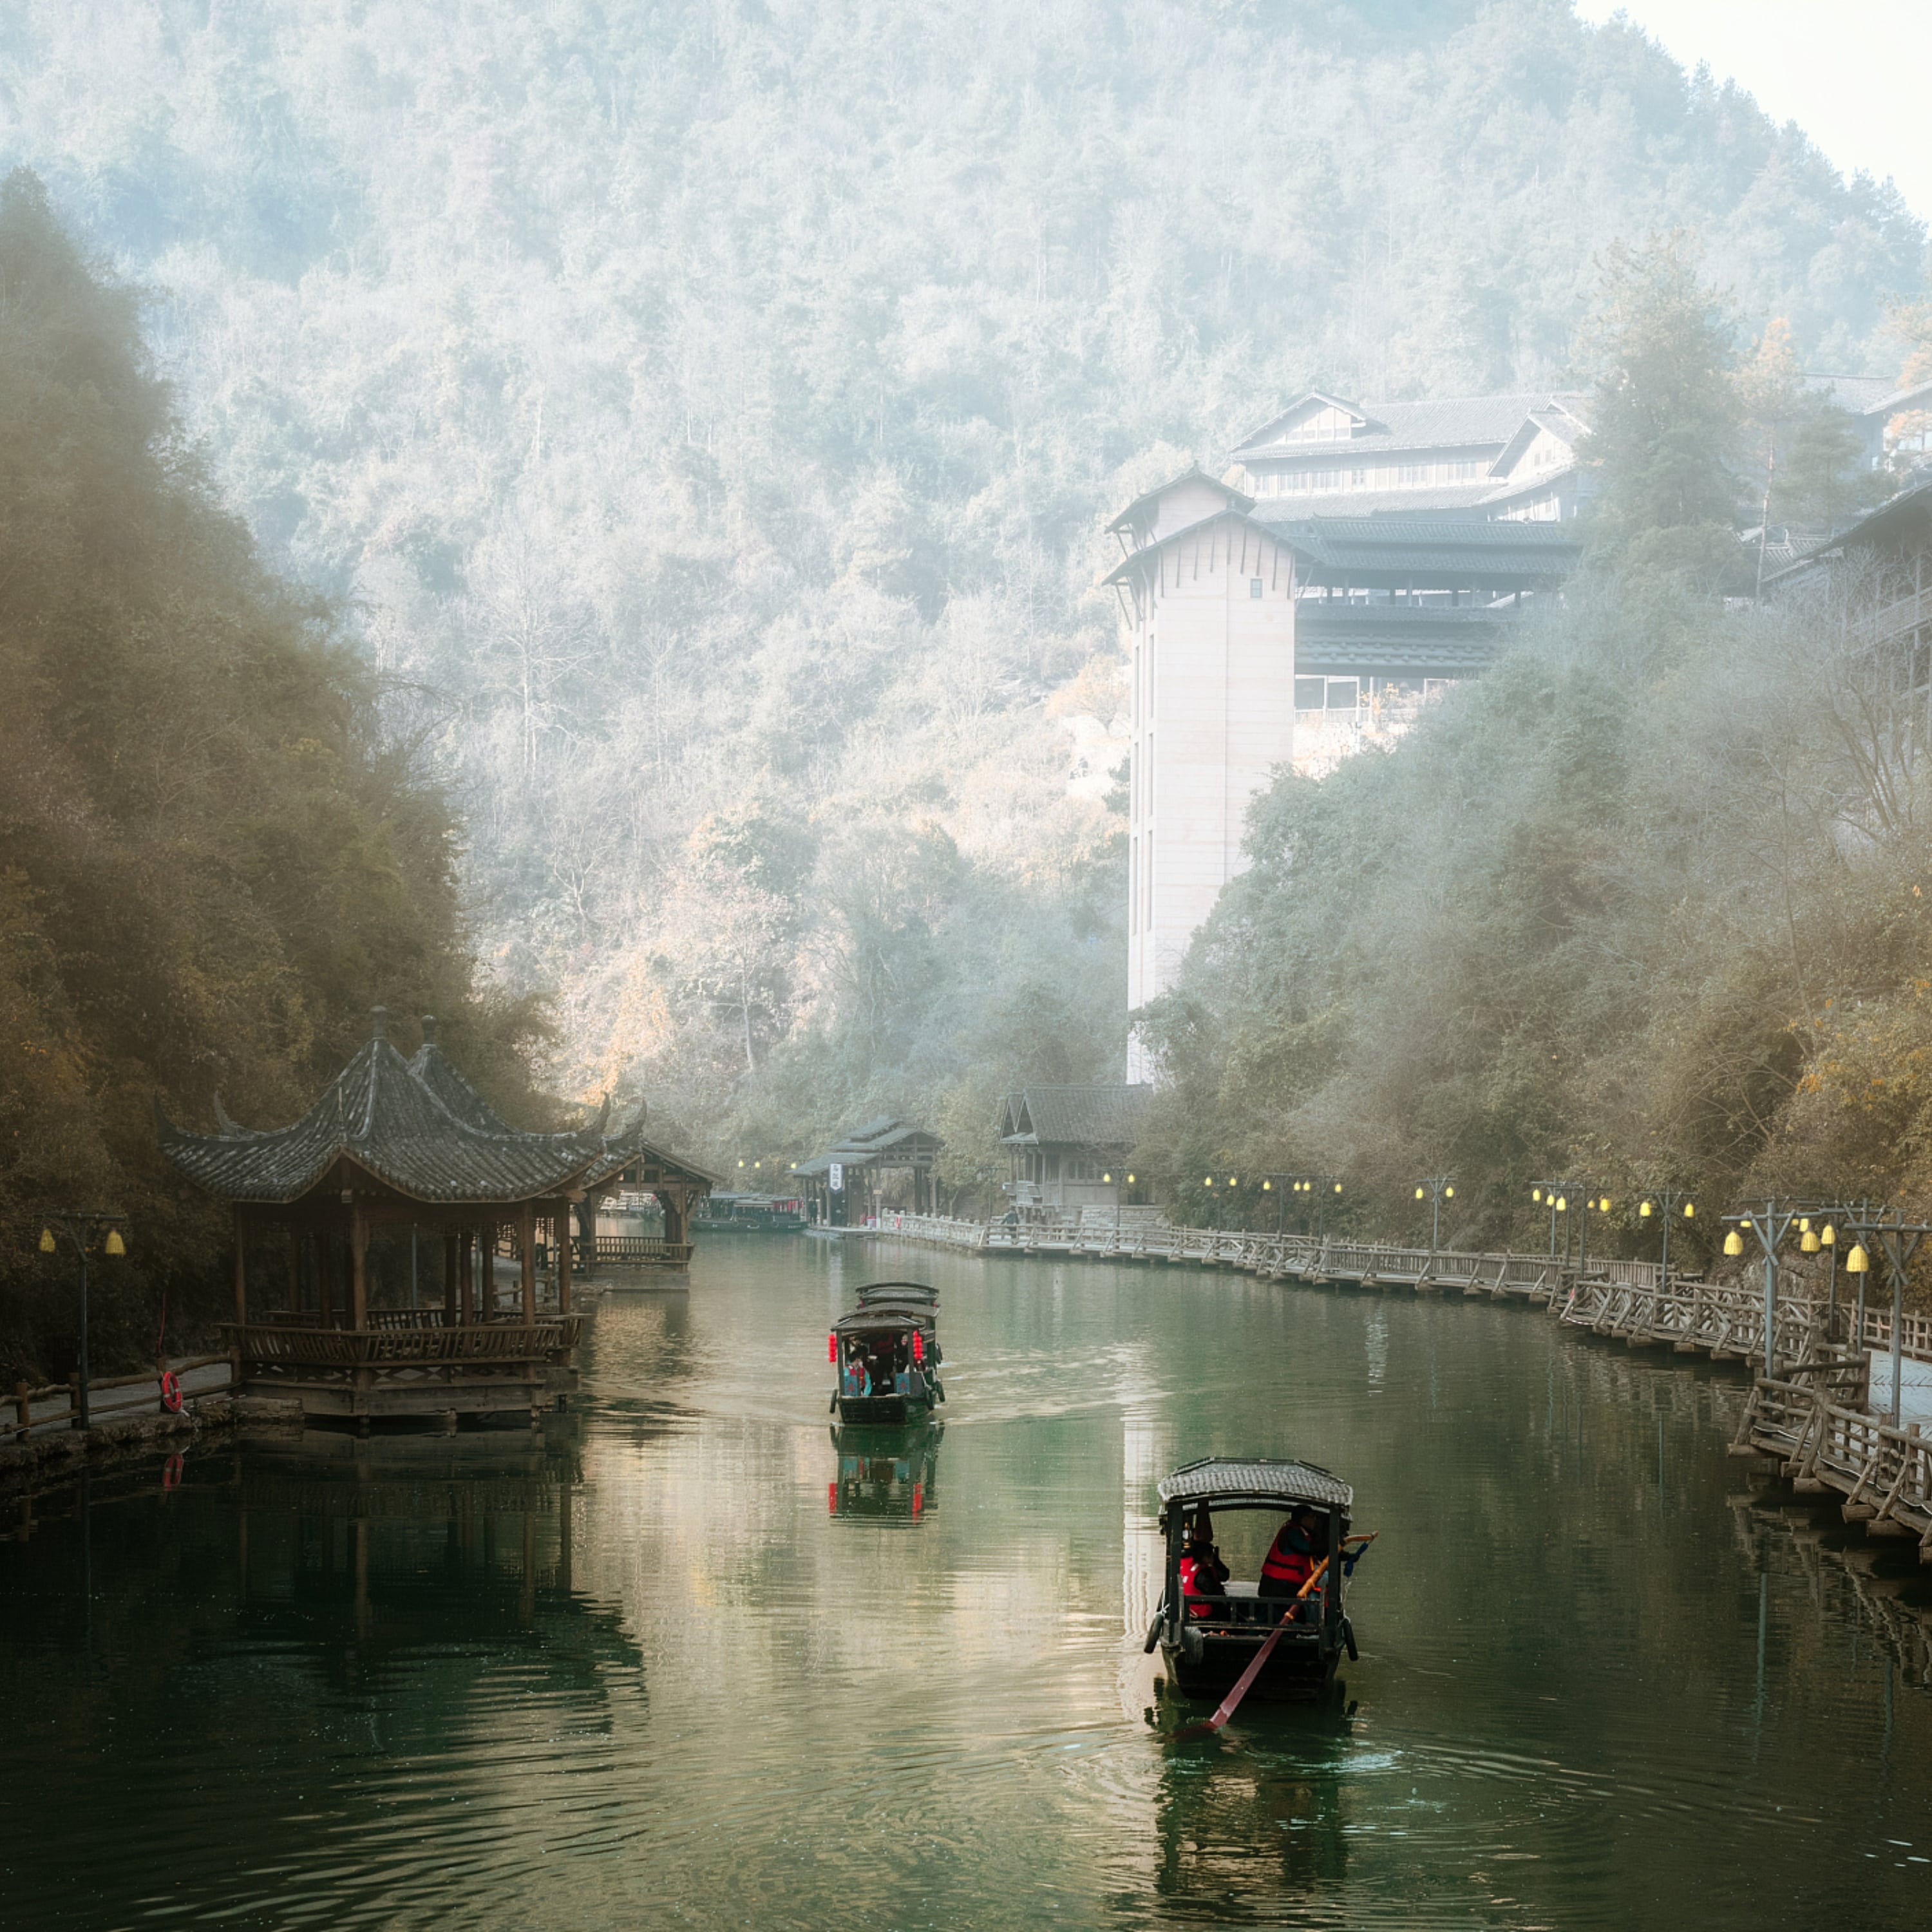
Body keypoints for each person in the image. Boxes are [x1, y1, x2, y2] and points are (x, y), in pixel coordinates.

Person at [1258, 1505, 1324, 1604]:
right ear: (1303, 1519)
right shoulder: (1293, 1532)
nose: (1314, 1520)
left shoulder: (1304, 1533)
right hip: (1277, 1586)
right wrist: (1326, 1543)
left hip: (1286, 1586)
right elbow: (1309, 1549)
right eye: (1312, 1516)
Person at [1179, 1505, 1231, 1620]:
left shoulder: (1183, 1561)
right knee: (1227, 1609)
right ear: (1205, 1555)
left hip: (1188, 1612)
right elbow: (1220, 1581)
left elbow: (1224, 1576)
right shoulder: (1202, 1574)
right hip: (1203, 1616)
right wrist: (1214, 1563)